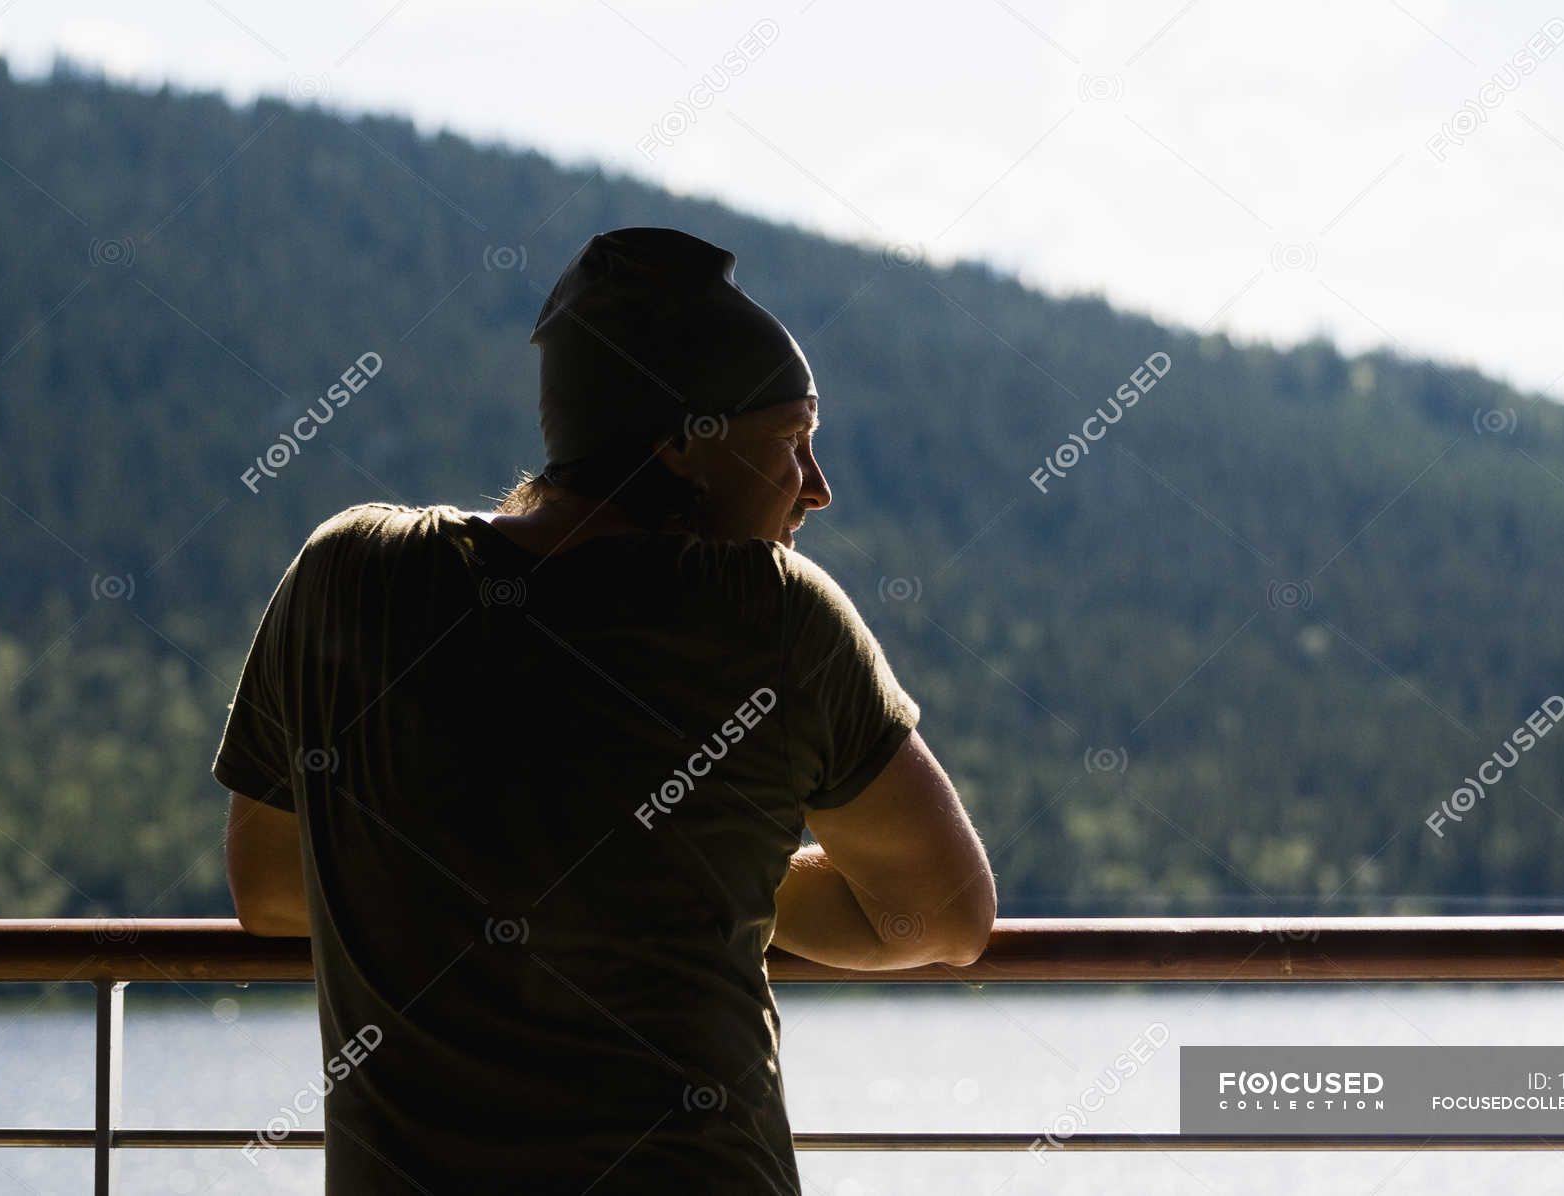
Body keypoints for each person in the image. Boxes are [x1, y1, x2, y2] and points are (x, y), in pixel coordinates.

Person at [212, 226, 996, 1194]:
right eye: (793, 441)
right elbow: (947, 913)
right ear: (682, 445)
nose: (818, 489)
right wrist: (713, 872)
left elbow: (272, 882)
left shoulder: (348, 576)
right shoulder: (773, 616)